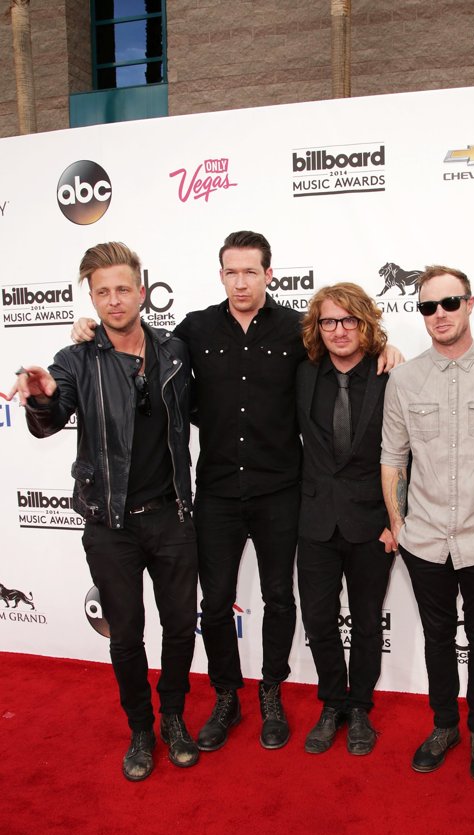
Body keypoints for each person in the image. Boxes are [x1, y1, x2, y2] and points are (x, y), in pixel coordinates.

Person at [71, 232, 402, 754]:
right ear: (220, 274)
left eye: (252, 272)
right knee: (217, 602)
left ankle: (271, 691)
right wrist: (90, 331)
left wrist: (389, 348)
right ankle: (227, 695)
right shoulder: (194, 329)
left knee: (277, 597)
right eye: (232, 272)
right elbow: (140, 344)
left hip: (282, 491)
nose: (242, 281)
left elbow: (349, 347)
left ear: (269, 275)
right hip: (218, 493)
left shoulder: (299, 328)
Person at [9, 242, 199, 782]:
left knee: (182, 625)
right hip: (110, 524)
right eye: (102, 292)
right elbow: (50, 415)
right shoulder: (76, 359)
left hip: (171, 516)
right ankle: (141, 729)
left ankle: (175, 719)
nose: (114, 301)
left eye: (122, 288)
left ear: (142, 290)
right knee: (125, 633)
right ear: (90, 298)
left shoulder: (175, 352)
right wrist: (43, 396)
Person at [381, 265, 474, 780]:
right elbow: (392, 459)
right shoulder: (403, 379)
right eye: (428, 307)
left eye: (449, 303)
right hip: (422, 540)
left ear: (470, 304)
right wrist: (399, 526)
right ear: (420, 313)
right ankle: (445, 724)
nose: (439, 314)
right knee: (437, 635)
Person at [297, 283, 395, 755]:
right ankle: (332, 703)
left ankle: (360, 708)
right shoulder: (302, 374)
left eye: (349, 320)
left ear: (366, 323)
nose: (339, 330)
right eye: (329, 321)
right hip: (314, 519)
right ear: (318, 327)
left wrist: (397, 519)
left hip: (372, 523)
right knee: (318, 619)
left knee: (367, 621)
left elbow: (408, 456)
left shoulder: (389, 376)